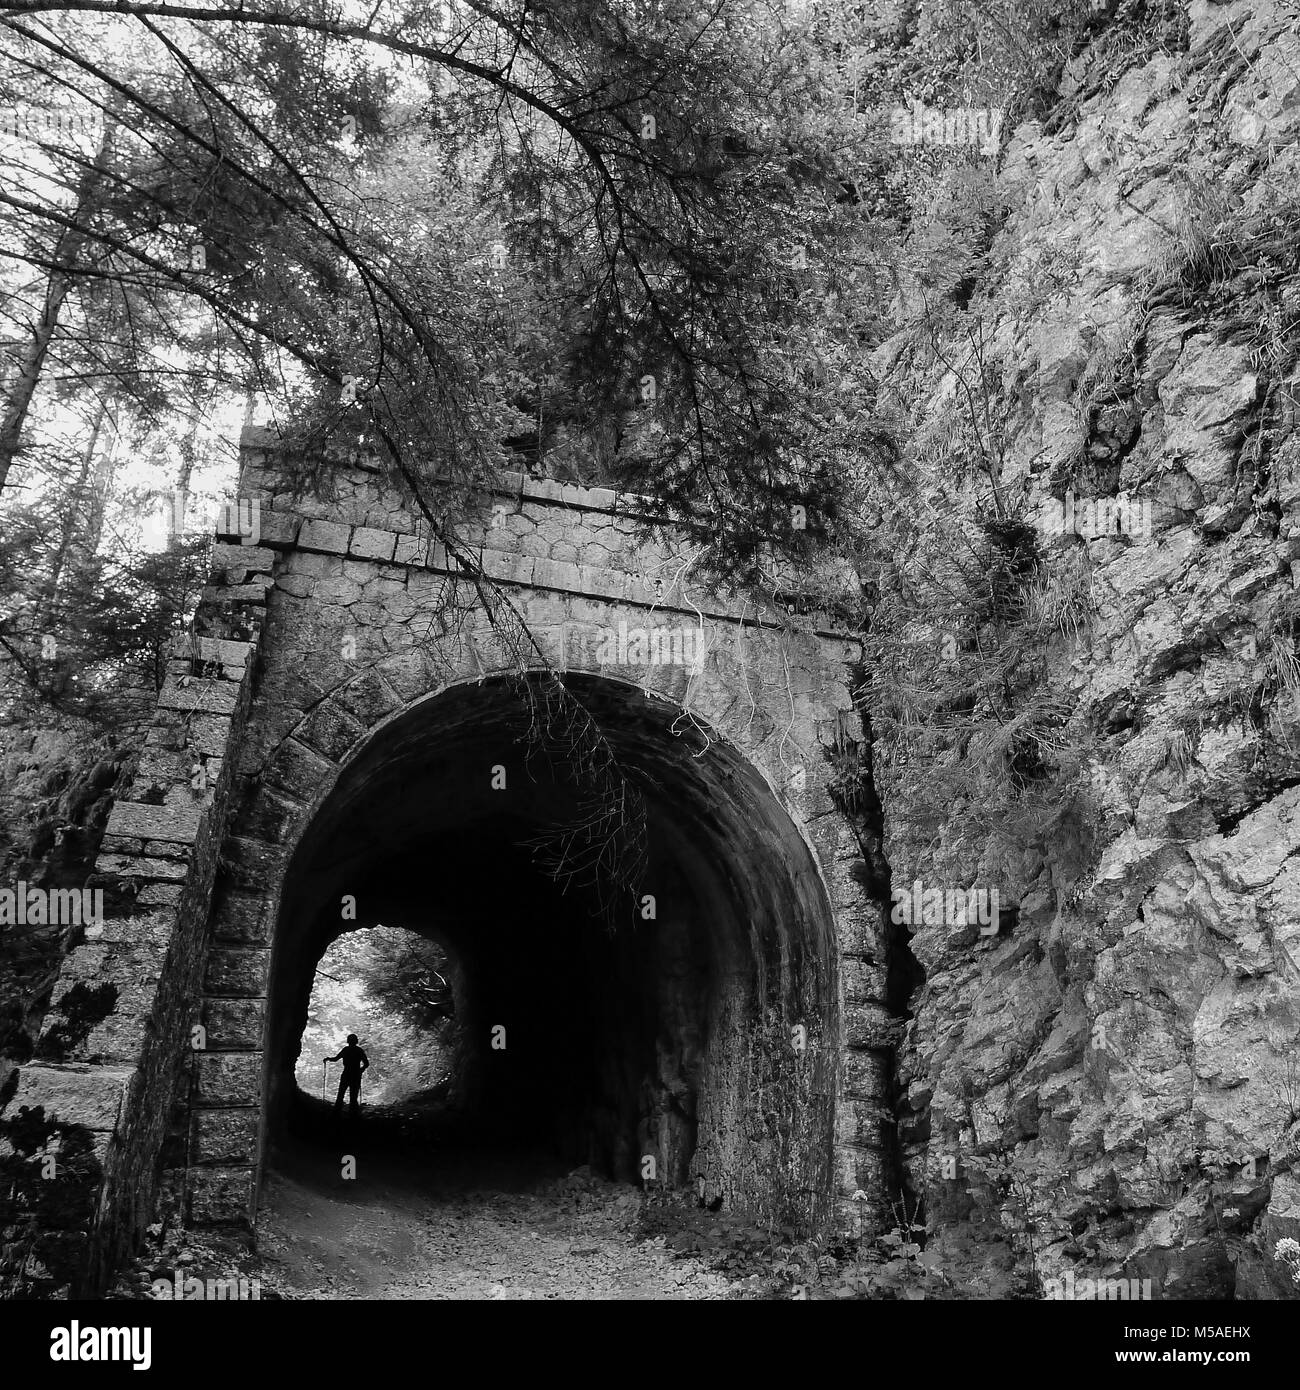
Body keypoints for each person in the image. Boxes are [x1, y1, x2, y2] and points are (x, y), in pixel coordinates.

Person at [326, 1034, 369, 1120]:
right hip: (356, 1074)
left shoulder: (346, 1050)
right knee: (353, 1096)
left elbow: (336, 1059)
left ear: (348, 1041)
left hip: (346, 1074)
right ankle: (353, 1116)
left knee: (341, 1094)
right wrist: (361, 1070)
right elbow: (366, 1063)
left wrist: (328, 1059)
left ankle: (336, 1114)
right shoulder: (359, 1050)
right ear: (356, 1041)